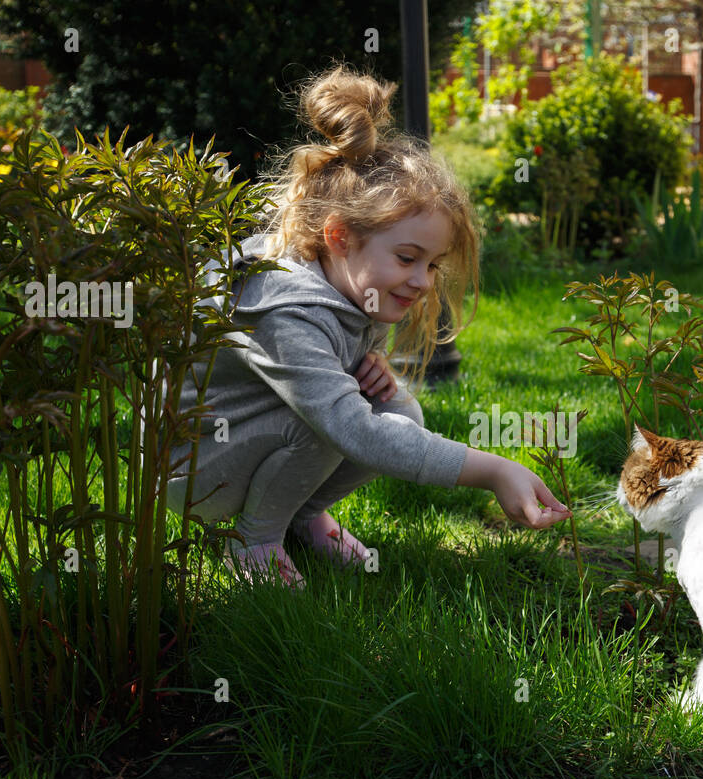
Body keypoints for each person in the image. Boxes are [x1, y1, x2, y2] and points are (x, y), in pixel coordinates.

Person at [165, 63, 571, 588]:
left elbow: (345, 387)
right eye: (407, 257)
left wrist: (365, 364)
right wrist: (493, 469)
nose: (423, 281)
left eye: (432, 264)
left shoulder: (350, 283)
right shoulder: (287, 306)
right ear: (339, 237)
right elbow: (351, 429)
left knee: (400, 407)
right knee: (339, 426)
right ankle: (254, 540)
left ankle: (298, 514)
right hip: (192, 471)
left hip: (238, 447)